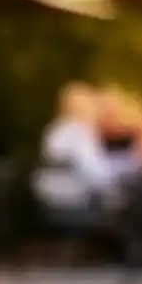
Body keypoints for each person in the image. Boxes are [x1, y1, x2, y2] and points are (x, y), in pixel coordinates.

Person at [33, 82, 118, 224]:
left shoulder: (53, 130)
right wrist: (118, 183)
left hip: (45, 203)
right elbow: (97, 175)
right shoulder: (80, 133)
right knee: (122, 207)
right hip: (72, 205)